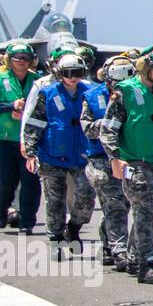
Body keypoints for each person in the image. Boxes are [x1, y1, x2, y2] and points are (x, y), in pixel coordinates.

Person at [100, 46, 153, 283]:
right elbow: (108, 128)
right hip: (135, 162)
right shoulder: (125, 91)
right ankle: (147, 264)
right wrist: (114, 157)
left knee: (151, 214)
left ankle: (135, 257)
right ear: (147, 66)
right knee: (145, 211)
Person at [21, 52, 96, 252]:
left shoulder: (90, 93)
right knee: (54, 200)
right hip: (52, 155)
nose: (73, 77)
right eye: (68, 72)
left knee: (86, 197)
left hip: (81, 155)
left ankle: (73, 228)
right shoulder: (48, 93)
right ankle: (55, 240)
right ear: (59, 73)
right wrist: (30, 151)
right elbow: (34, 123)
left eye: (77, 72)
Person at [81, 54, 135, 271]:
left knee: (124, 205)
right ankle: (120, 250)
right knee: (114, 206)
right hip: (101, 160)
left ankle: (107, 244)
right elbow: (87, 128)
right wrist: (110, 123)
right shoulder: (92, 97)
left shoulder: (136, 94)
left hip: (129, 159)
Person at [0, 42, 42, 234]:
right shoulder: (1, 79)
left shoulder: (39, 81)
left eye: (26, 58)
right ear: (9, 60)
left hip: (31, 141)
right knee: (6, 182)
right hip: (5, 138)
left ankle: (27, 222)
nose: (22, 62)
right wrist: (11, 106)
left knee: (31, 182)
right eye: (18, 58)